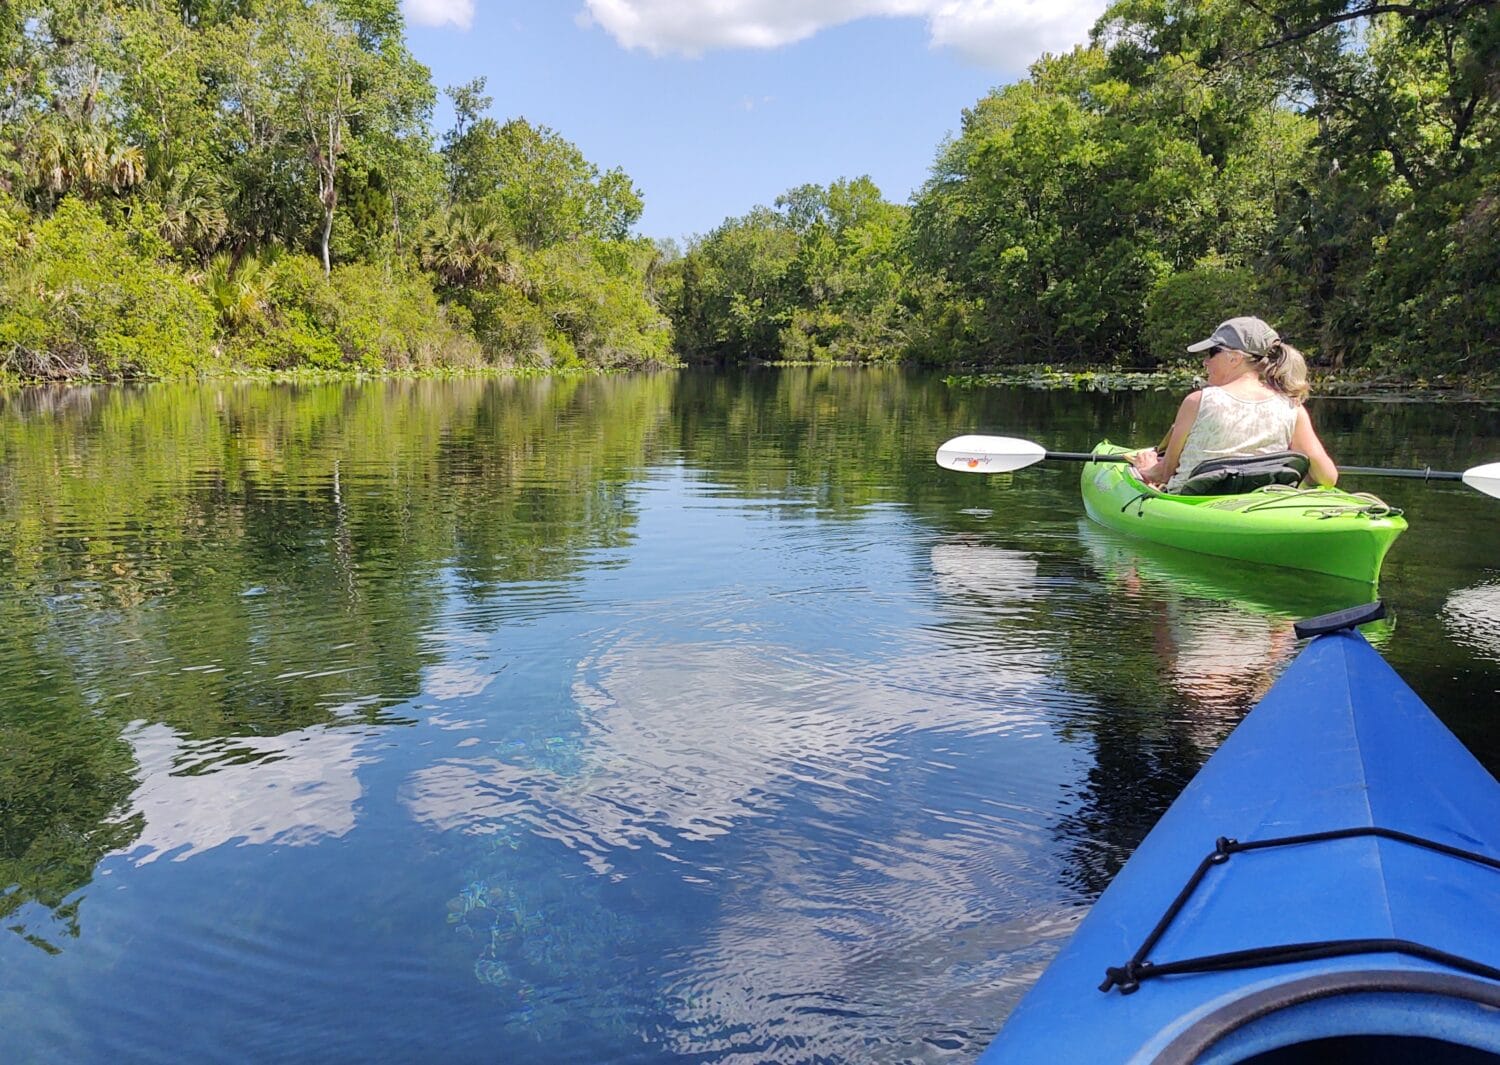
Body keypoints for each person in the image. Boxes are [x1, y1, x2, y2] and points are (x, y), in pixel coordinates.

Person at [1129, 316, 1338, 492]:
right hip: (1258, 503)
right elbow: (1328, 478)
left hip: (1193, 501)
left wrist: (1146, 468)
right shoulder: (1292, 408)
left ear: (1234, 358)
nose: (1206, 362)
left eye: (1212, 353)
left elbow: (1166, 473)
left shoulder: (1197, 401)